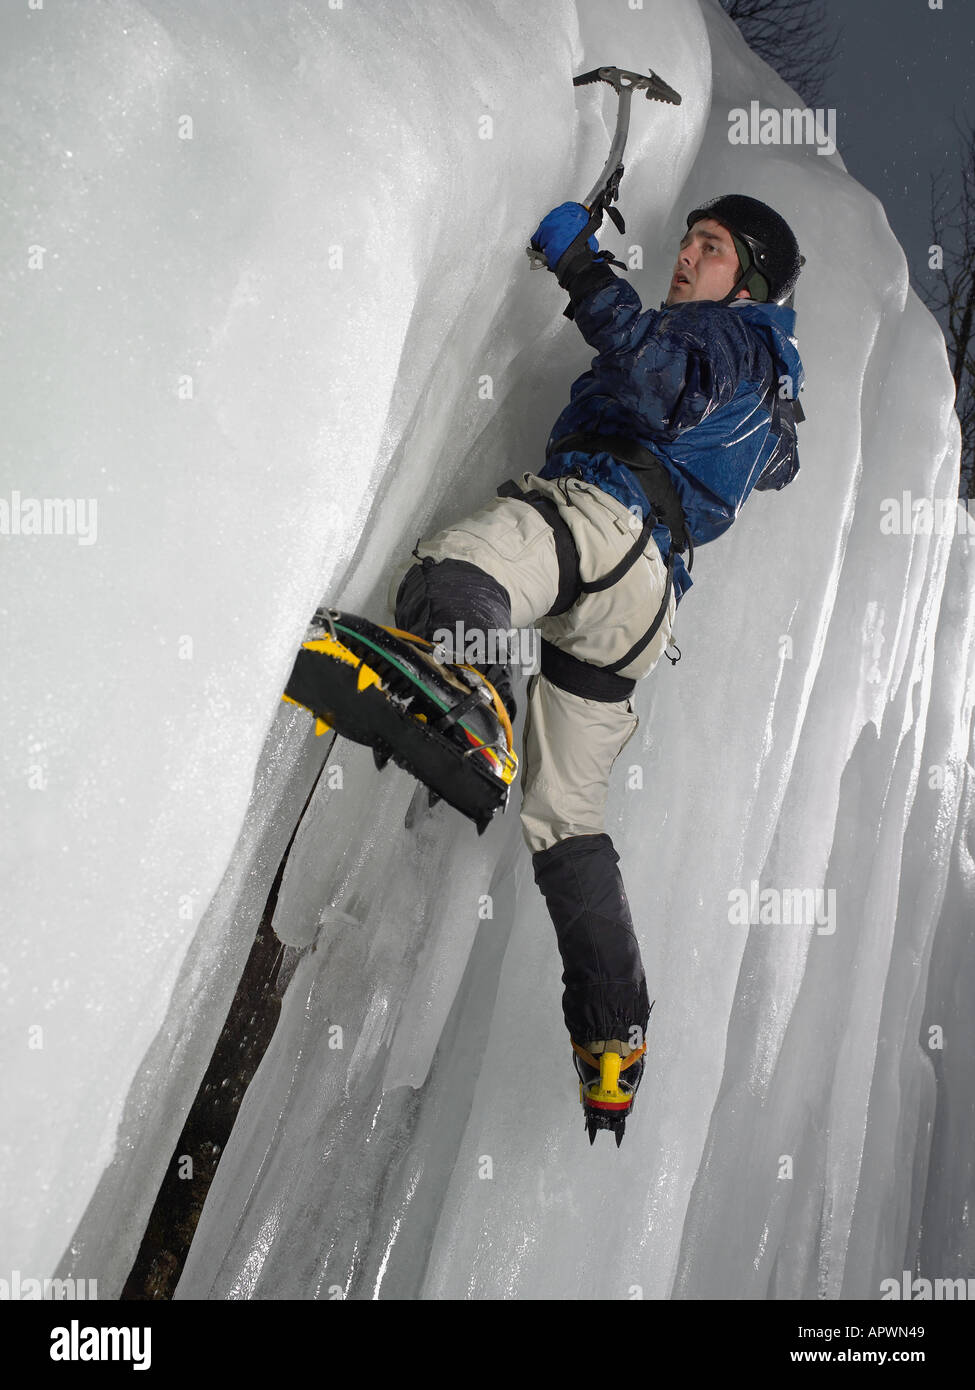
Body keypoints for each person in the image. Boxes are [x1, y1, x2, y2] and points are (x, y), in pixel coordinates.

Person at [389, 193, 805, 1143]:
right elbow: (766, 459)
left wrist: (584, 269)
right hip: (642, 608)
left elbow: (661, 381)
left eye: (709, 248)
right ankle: (612, 1035)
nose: (685, 258)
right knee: (567, 822)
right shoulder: (772, 396)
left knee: (457, 573)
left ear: (748, 281)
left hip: (601, 518)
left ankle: (467, 703)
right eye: (689, 240)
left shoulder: (730, 338)